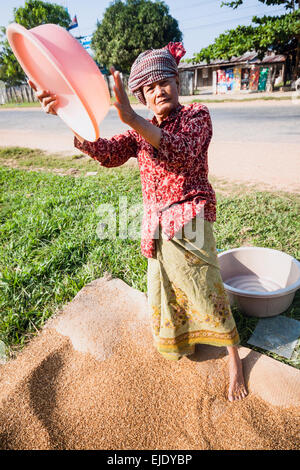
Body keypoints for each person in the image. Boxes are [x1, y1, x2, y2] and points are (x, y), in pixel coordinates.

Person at [28, 42, 248, 402]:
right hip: (156, 228)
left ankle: (234, 359)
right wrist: (66, 115)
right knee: (167, 292)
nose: (159, 90)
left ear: (178, 82)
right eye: (149, 87)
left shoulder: (197, 116)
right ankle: (186, 342)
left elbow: (180, 153)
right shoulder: (138, 132)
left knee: (205, 288)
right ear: (142, 97)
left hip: (191, 221)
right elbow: (108, 152)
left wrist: (132, 118)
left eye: (165, 81)